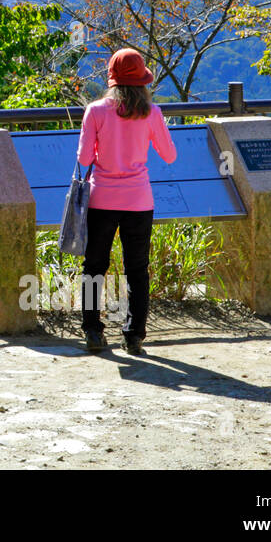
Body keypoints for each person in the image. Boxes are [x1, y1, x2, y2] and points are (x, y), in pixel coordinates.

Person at [75, 48, 177, 356]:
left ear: (112, 79)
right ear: (142, 81)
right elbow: (169, 155)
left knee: (94, 266)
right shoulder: (152, 113)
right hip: (138, 199)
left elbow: (83, 158)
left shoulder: (95, 110)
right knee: (137, 270)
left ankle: (93, 331)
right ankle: (134, 336)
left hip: (101, 198)